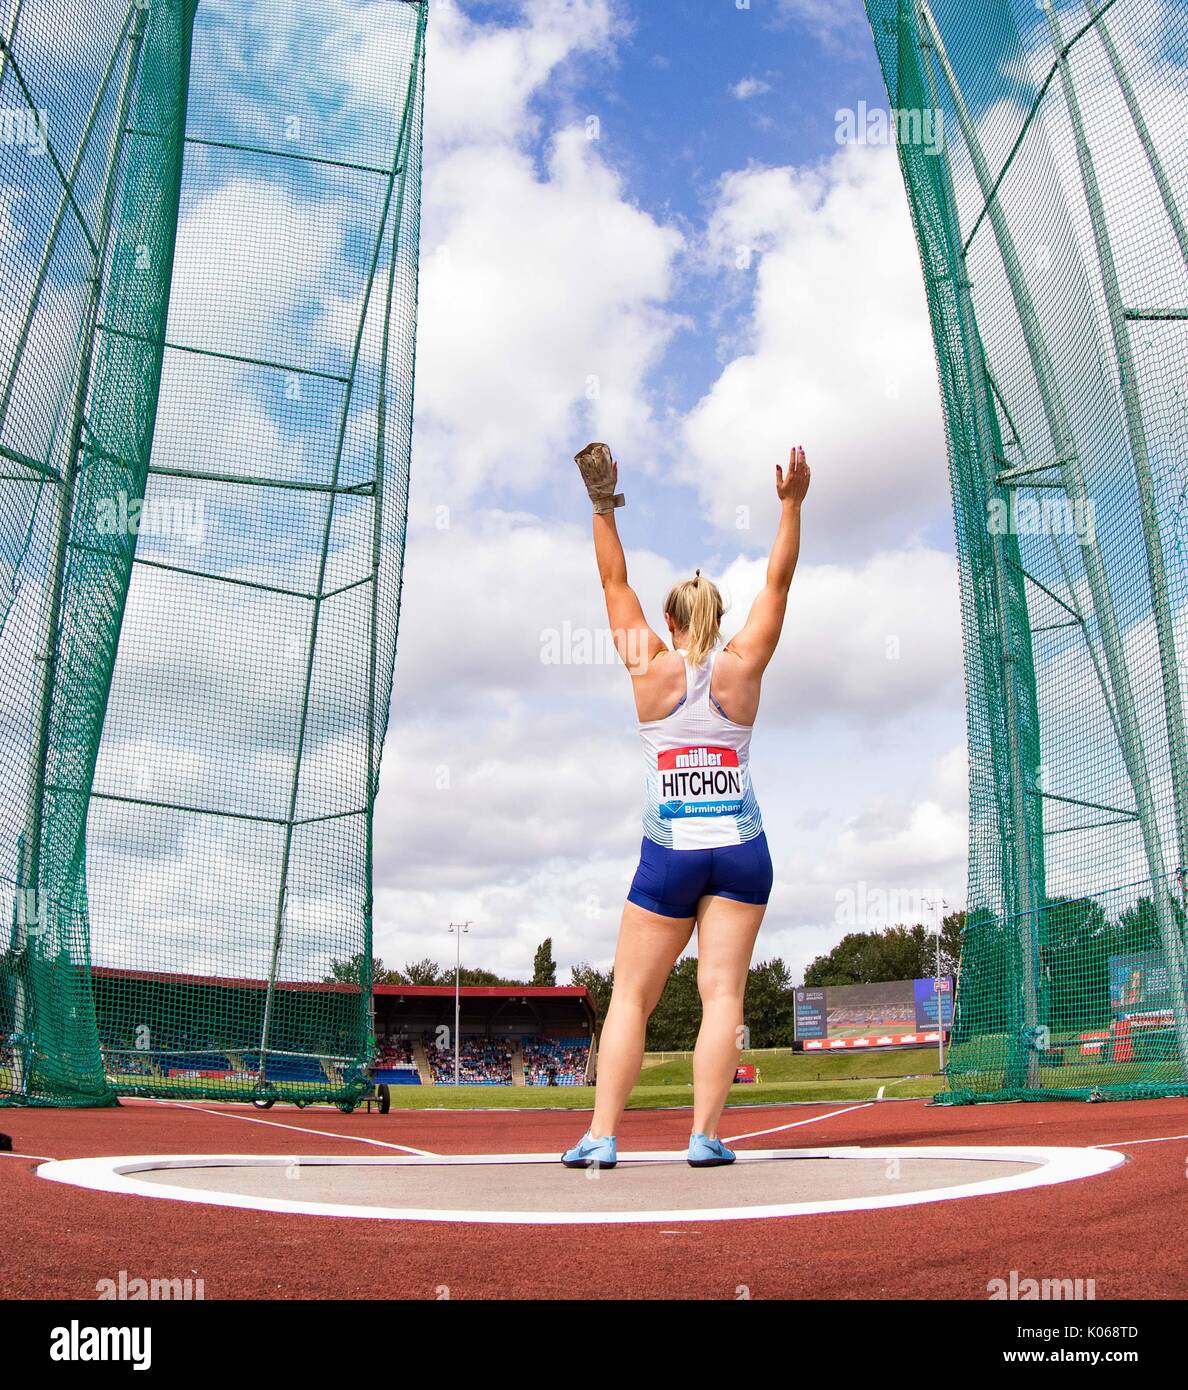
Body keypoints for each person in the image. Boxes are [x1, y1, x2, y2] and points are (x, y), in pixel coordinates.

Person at [563, 442, 809, 1169]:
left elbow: (613, 580)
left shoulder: (649, 664)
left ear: (669, 621)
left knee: (632, 1000)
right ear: (719, 616)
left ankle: (602, 1136)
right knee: (721, 993)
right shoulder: (745, 664)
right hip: (742, 851)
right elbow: (781, 582)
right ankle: (705, 1135)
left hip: (669, 856)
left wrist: (604, 507)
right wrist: (791, 506)